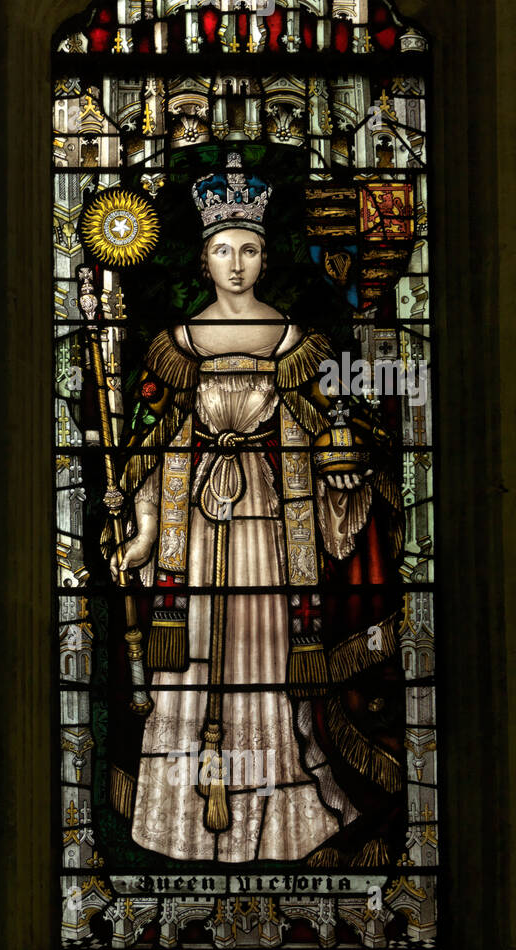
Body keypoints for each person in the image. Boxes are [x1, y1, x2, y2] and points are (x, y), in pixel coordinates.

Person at [104, 156, 405, 866]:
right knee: (187, 665)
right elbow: (163, 456)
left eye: (247, 249)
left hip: (270, 536)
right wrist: (142, 532)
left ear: (264, 257)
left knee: (265, 669)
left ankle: (278, 822)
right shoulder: (177, 349)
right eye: (222, 250)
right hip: (193, 534)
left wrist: (346, 478)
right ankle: (179, 819)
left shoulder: (295, 346)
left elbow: (319, 451)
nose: (235, 263)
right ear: (205, 257)